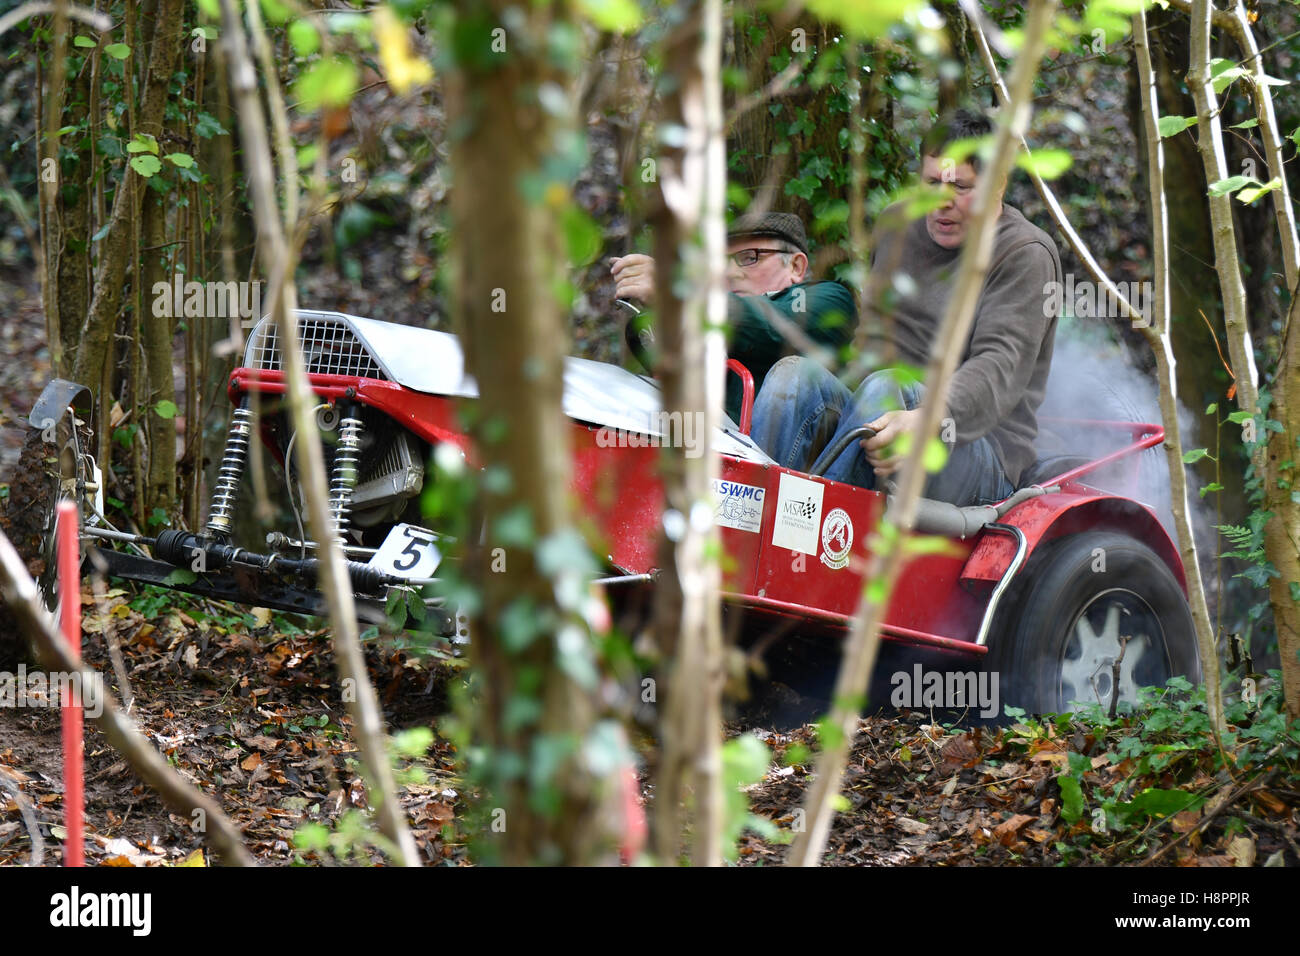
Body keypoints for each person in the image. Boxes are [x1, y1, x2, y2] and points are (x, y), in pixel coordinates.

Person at [750, 109, 1062, 507]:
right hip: (885, 413)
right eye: (932, 182)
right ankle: (747, 525)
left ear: (999, 184)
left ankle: (805, 536)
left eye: (961, 188)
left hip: (977, 449)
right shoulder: (898, 225)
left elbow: (998, 365)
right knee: (793, 377)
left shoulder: (1025, 253)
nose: (941, 203)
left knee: (886, 386)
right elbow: (872, 346)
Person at [610, 212, 856, 424]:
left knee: (792, 373)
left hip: (808, 473)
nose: (730, 273)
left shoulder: (829, 299)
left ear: (796, 266)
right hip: (718, 464)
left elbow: (772, 327)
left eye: (750, 257)